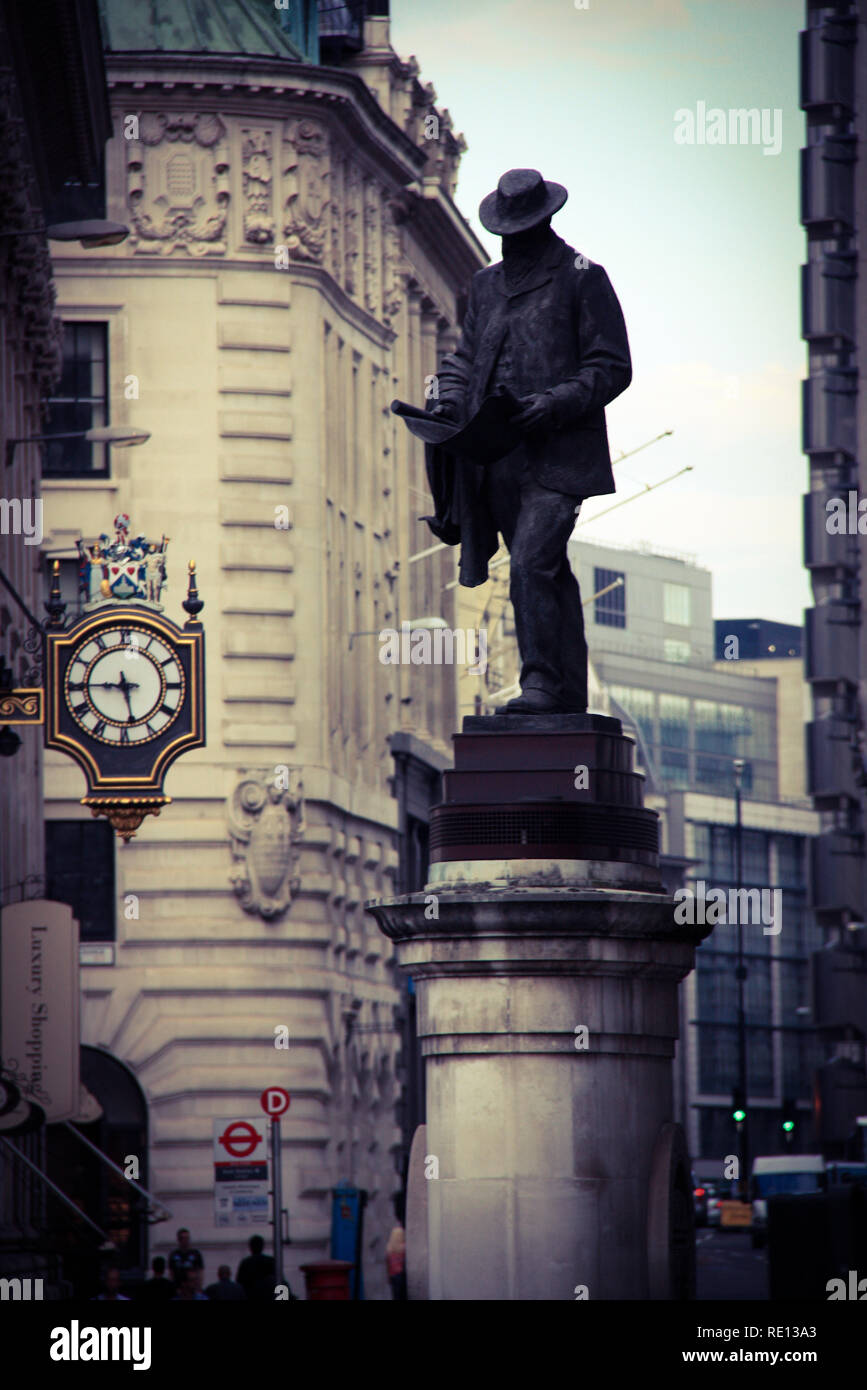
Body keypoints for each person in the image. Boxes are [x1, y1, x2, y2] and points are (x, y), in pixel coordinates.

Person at [429, 168, 632, 714]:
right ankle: (567, 694)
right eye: (506, 230)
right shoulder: (486, 285)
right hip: (495, 457)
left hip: (557, 457)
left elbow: (611, 366)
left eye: (521, 228)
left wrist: (553, 403)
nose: (511, 239)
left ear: (543, 222)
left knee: (530, 564)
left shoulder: (582, 276)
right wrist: (448, 398)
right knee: (547, 572)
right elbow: (464, 358)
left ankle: (540, 681)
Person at [236, 1234, 276, 1301]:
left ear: (250, 1247)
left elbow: (240, 1284)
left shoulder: (246, 1263)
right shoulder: (270, 1261)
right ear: (262, 1247)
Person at [385, 1220, 407, 1300]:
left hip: (393, 1275)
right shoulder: (403, 1247)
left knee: (395, 1296)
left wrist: (388, 1276)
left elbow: (387, 1264)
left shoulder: (389, 1248)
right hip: (401, 1275)